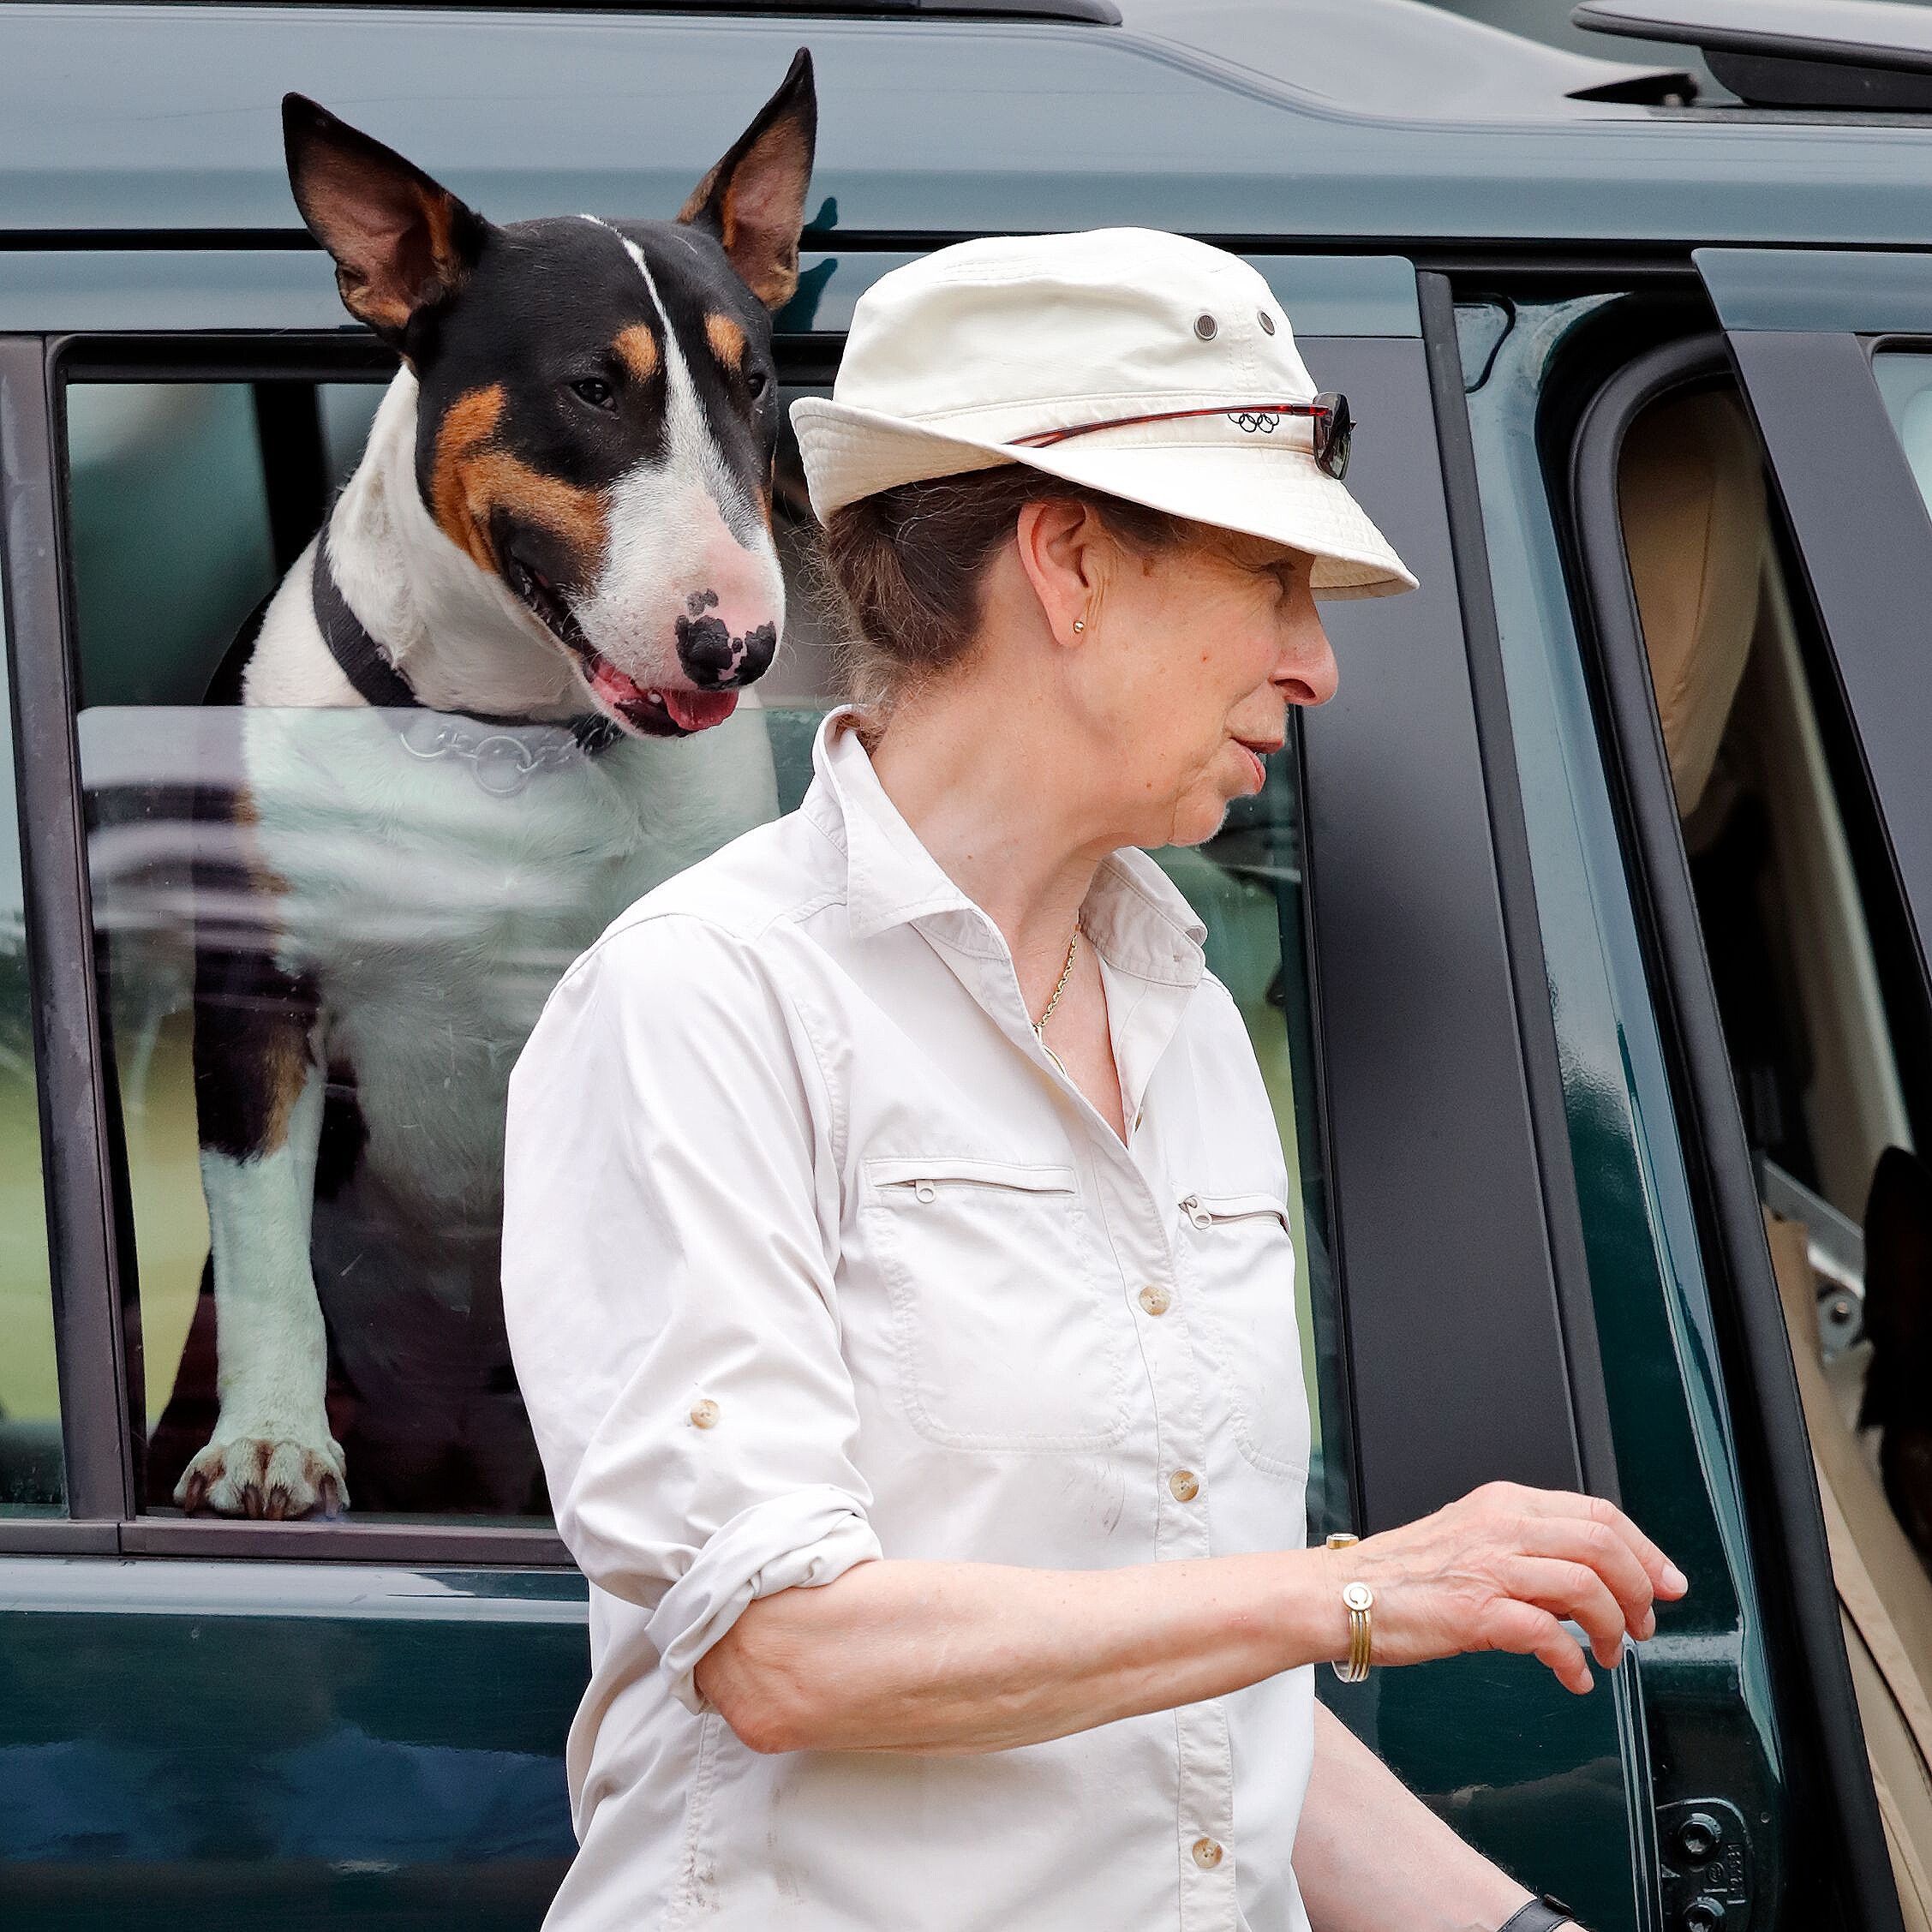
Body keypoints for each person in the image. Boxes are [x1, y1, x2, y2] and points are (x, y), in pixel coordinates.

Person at [500, 227, 1687, 1932]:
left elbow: (1192, 1687)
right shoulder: (707, 1003)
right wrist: (1358, 1592)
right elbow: (782, 1649)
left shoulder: (1186, 1014)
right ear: (1068, 562)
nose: (1318, 662)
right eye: (1271, 580)